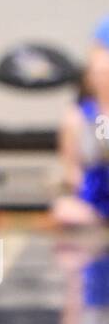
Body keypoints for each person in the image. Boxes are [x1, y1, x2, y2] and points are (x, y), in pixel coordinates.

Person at [53, 21, 109, 227]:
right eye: (100, 72)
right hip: (94, 199)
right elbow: (71, 168)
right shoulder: (76, 116)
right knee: (64, 210)